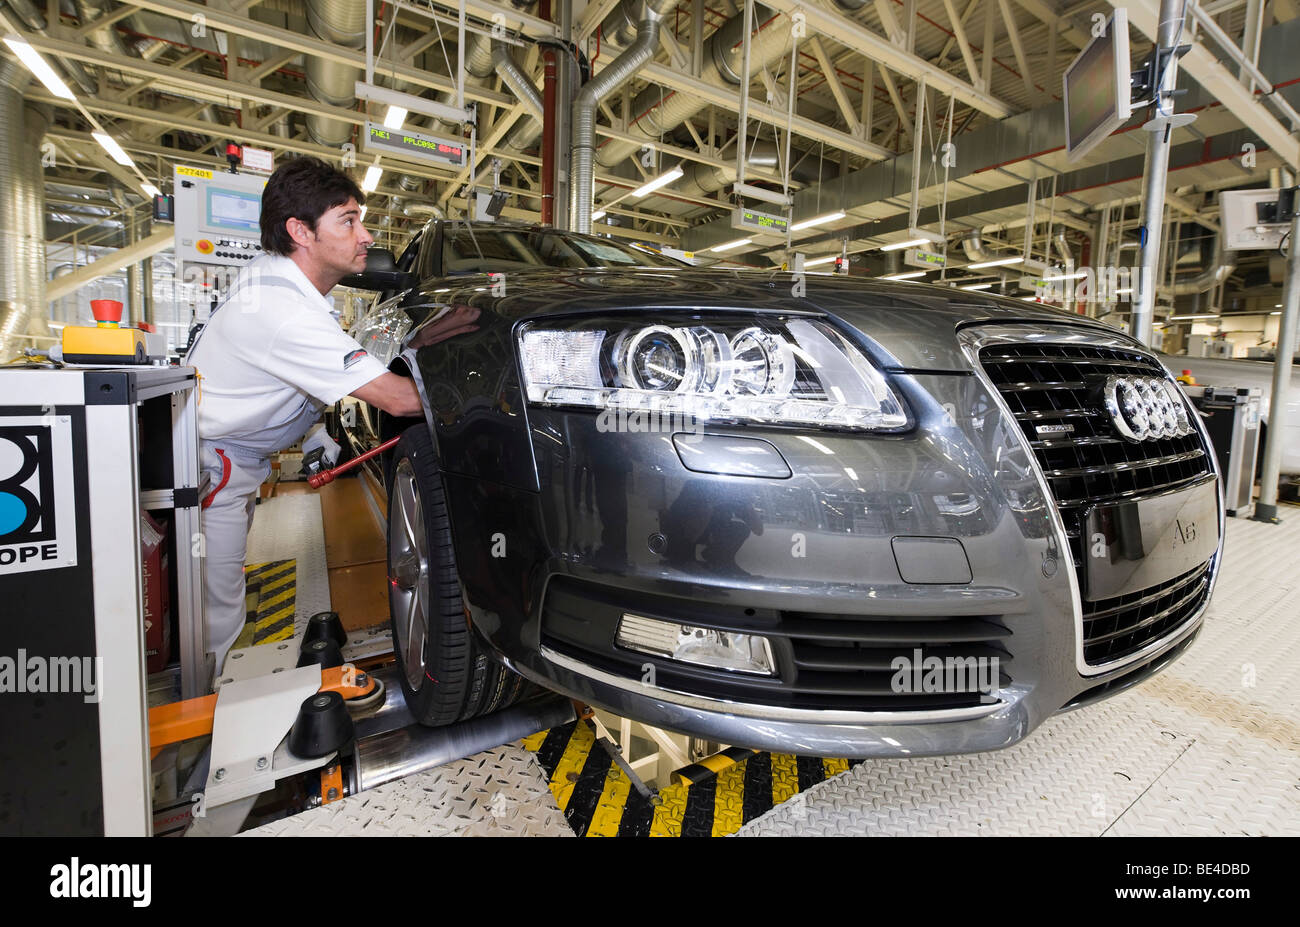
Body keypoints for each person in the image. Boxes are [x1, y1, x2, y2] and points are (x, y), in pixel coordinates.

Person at [186, 156, 422, 673]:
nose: (365, 236)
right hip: (214, 469)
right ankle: (202, 727)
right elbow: (401, 400)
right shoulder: (284, 311)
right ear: (301, 231)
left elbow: (280, 377)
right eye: (349, 220)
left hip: (226, 459)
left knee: (211, 595)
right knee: (213, 616)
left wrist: (313, 428)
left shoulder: (281, 291)